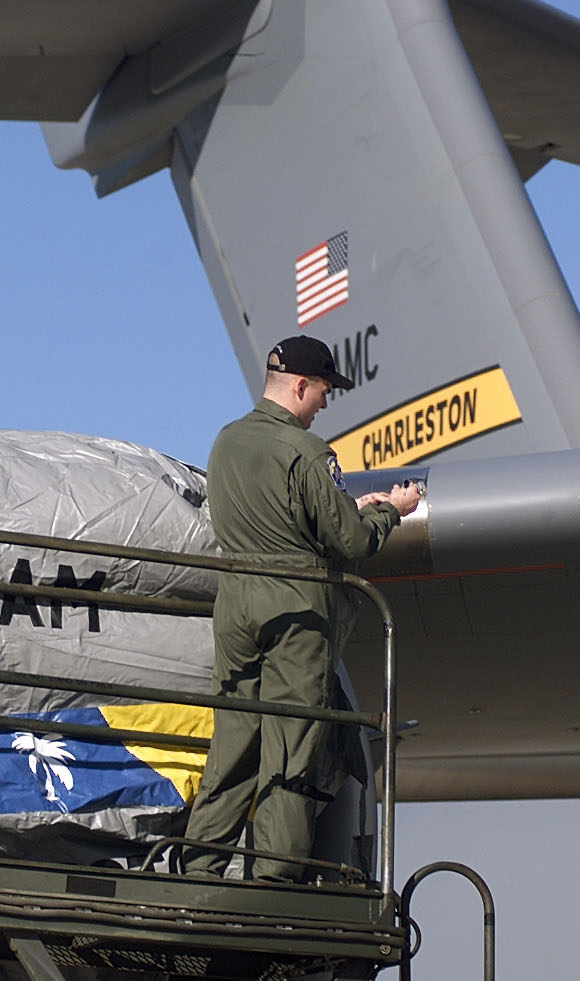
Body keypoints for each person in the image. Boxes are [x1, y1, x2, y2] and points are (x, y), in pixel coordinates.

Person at [182, 335, 422, 881]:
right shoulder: (310, 453)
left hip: (238, 605)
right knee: (291, 746)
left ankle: (198, 869)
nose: (325, 403)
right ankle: (274, 877)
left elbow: (274, 517)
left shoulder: (226, 442)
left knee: (235, 741)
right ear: (300, 385)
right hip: (294, 610)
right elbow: (353, 543)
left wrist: (343, 509)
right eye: (323, 391)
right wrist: (391, 512)